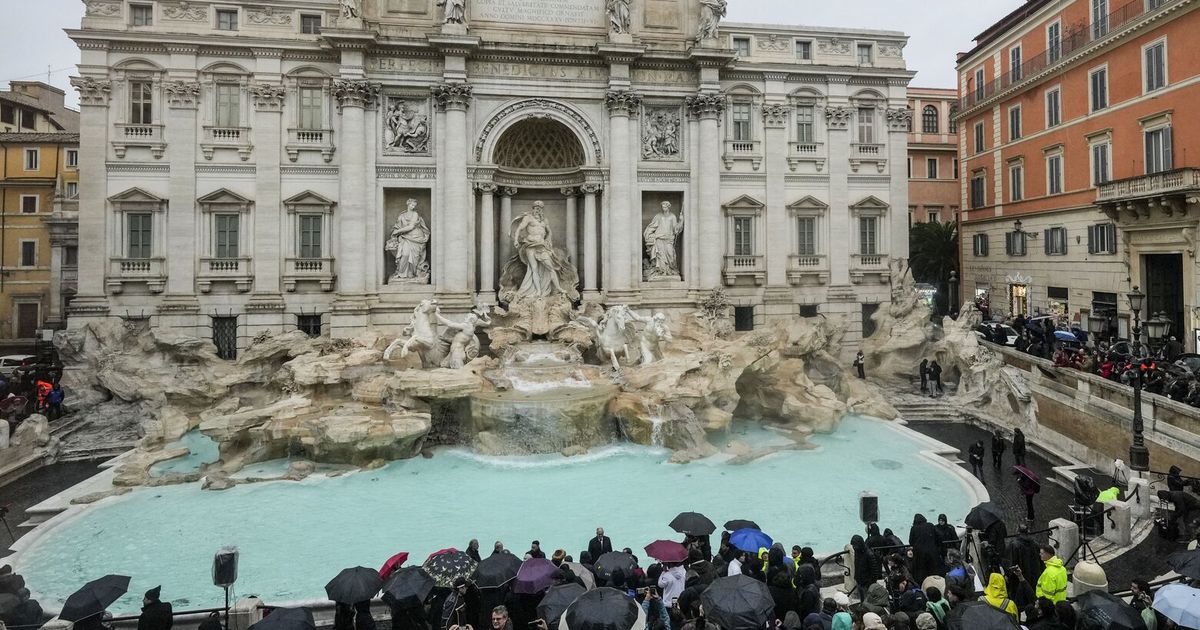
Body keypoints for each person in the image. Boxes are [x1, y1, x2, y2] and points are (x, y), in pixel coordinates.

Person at [907, 514, 943, 586]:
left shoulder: (914, 528)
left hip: (919, 554)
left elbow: (911, 541)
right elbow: (940, 536)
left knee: (921, 573)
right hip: (932, 553)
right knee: (933, 571)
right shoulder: (930, 525)